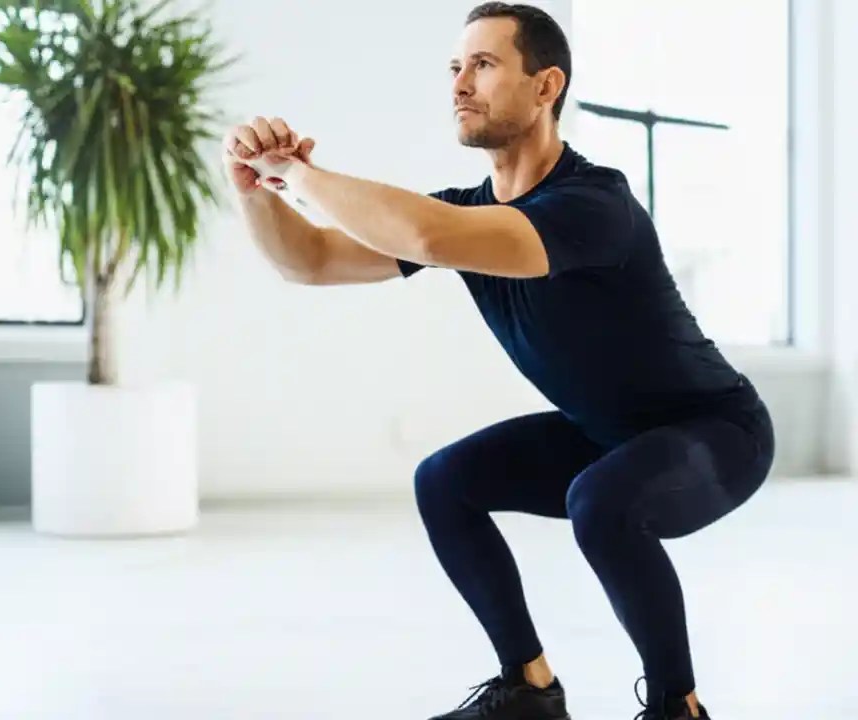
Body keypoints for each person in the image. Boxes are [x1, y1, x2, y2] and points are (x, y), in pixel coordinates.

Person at [222, 3, 775, 718]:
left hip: (717, 434)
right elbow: (311, 260)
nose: (460, 84)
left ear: (546, 86)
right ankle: (529, 691)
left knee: (600, 502)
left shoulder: (594, 203)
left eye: (483, 65)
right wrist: (253, 187)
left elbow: (428, 236)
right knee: (445, 481)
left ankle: (679, 708)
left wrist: (297, 172)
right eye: (455, 67)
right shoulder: (468, 212)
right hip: (607, 434)